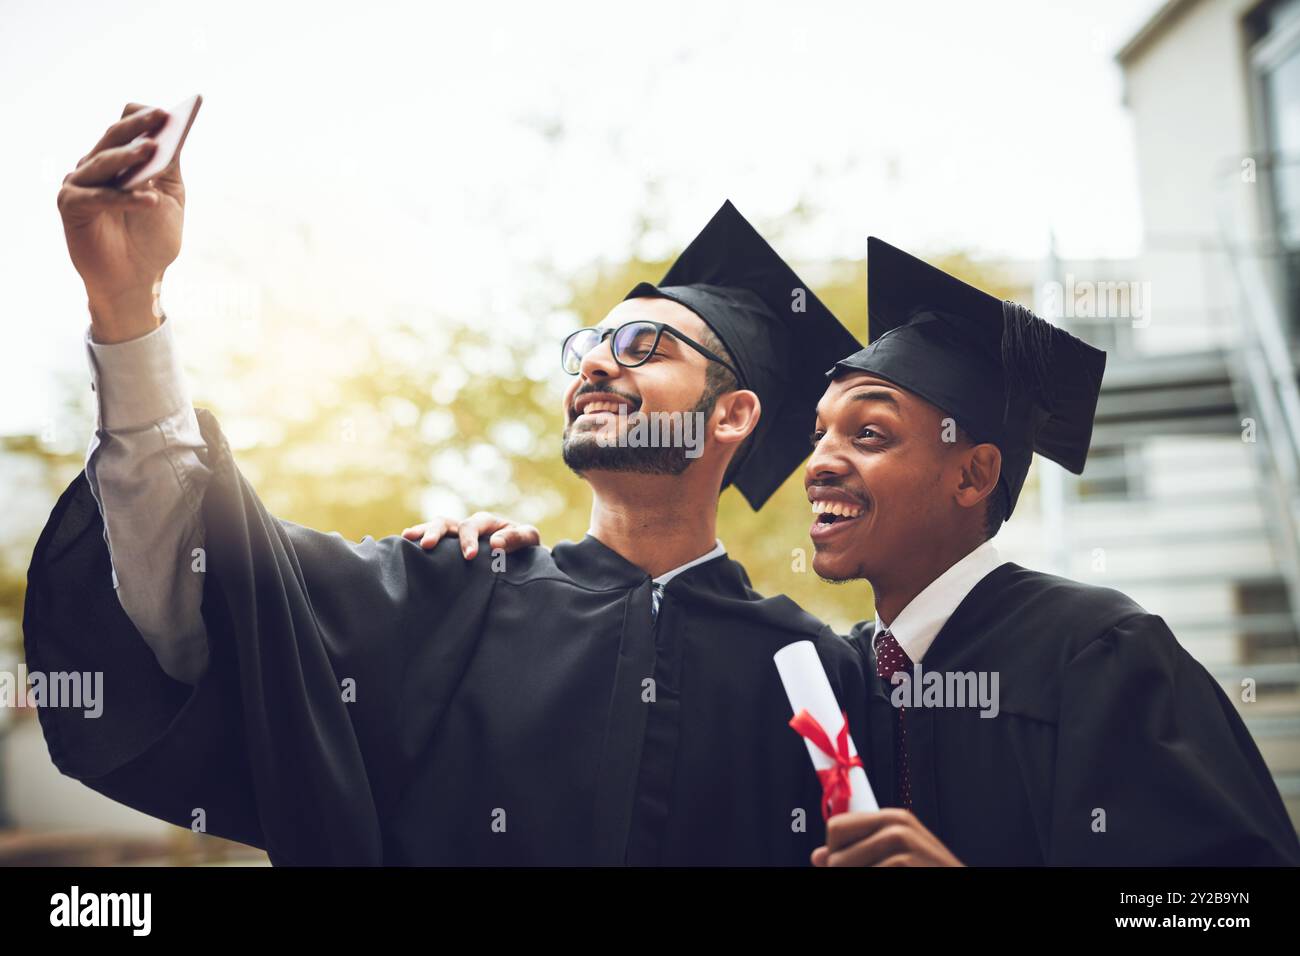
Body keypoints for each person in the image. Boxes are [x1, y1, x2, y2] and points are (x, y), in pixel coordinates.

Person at [26, 103, 870, 865]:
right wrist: (128, 304)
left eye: (647, 344)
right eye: (588, 348)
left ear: (731, 418)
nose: (600, 364)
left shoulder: (808, 671)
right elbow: (200, 576)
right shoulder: (449, 591)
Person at [802, 238, 1300, 865]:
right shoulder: (843, 678)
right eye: (818, 434)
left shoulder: (1101, 654)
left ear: (973, 476)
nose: (819, 462)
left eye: (868, 433)